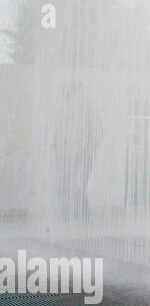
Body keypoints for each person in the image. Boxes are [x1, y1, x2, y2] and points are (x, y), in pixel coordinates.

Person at [51, 81, 102, 223]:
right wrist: (56, 151)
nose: (67, 97)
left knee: (78, 186)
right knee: (64, 186)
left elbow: (96, 134)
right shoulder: (63, 113)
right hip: (66, 156)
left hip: (81, 156)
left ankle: (81, 215)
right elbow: (57, 136)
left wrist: (88, 153)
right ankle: (68, 215)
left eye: (70, 94)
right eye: (67, 94)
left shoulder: (88, 113)